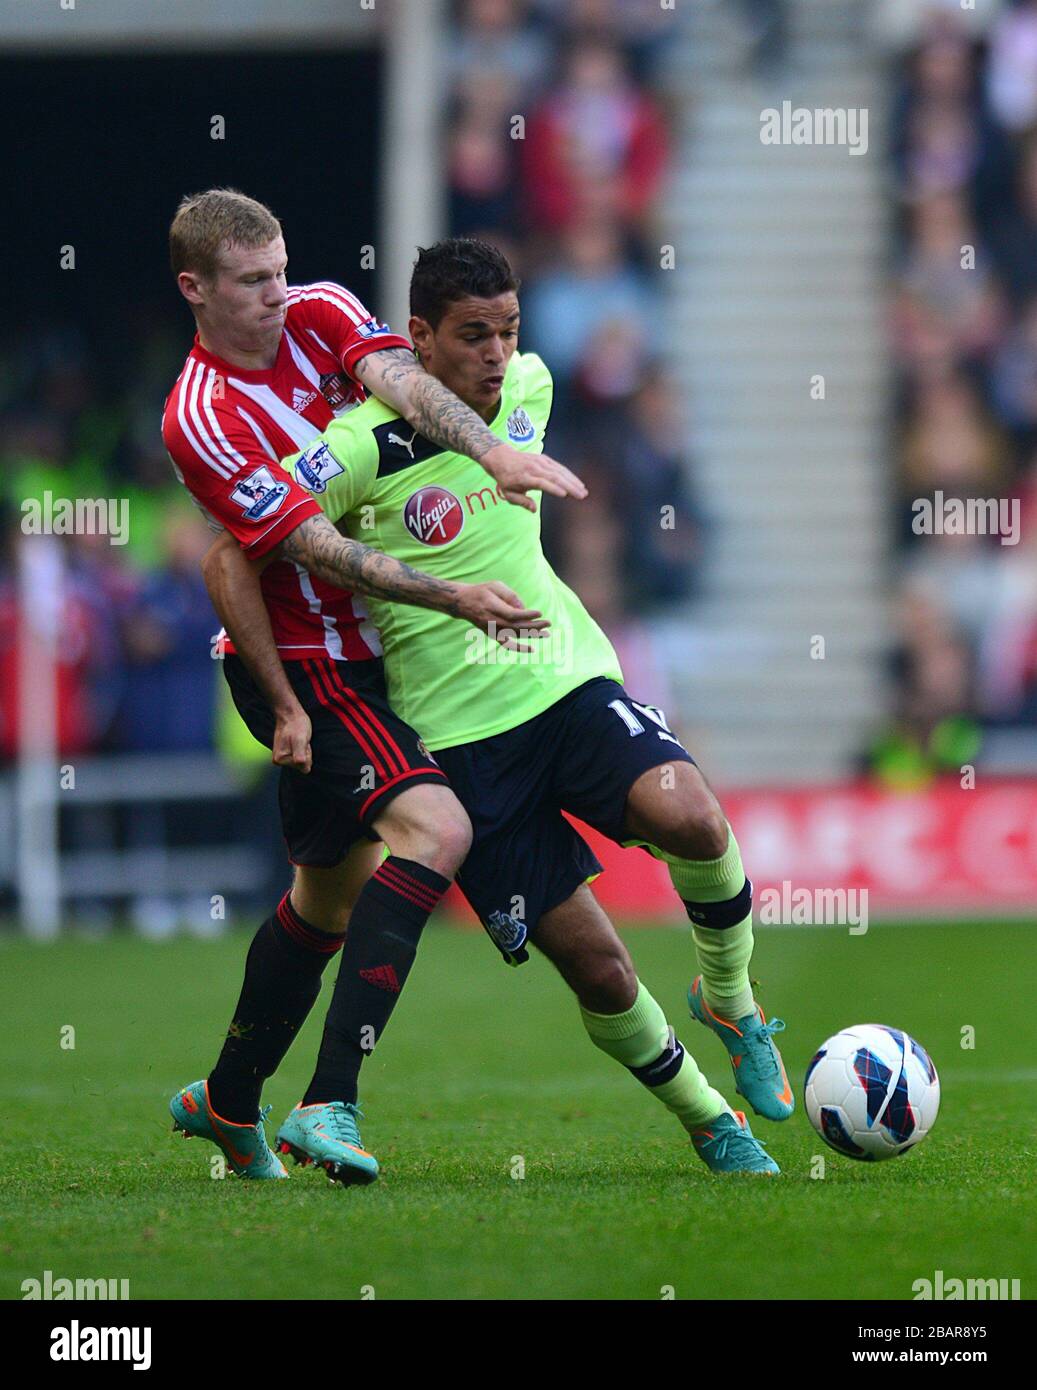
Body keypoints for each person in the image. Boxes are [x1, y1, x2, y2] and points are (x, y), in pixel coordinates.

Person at [208, 238, 793, 1176]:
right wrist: (280, 691)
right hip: (463, 747)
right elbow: (245, 546)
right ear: (418, 341)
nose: (496, 354)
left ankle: (732, 999)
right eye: (472, 335)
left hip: (566, 684)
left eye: (508, 331)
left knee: (688, 813)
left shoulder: (532, 386)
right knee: (597, 968)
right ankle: (708, 1119)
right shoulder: (354, 447)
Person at [162, 191, 583, 1183]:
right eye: (253, 282)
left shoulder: (318, 310)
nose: (279, 294)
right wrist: (451, 597)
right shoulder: (200, 418)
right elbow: (306, 543)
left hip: (369, 653)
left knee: (325, 898)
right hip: (306, 660)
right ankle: (327, 1104)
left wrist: (489, 449)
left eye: (281, 269)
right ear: (196, 289)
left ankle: (227, 1100)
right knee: (435, 831)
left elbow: (399, 378)